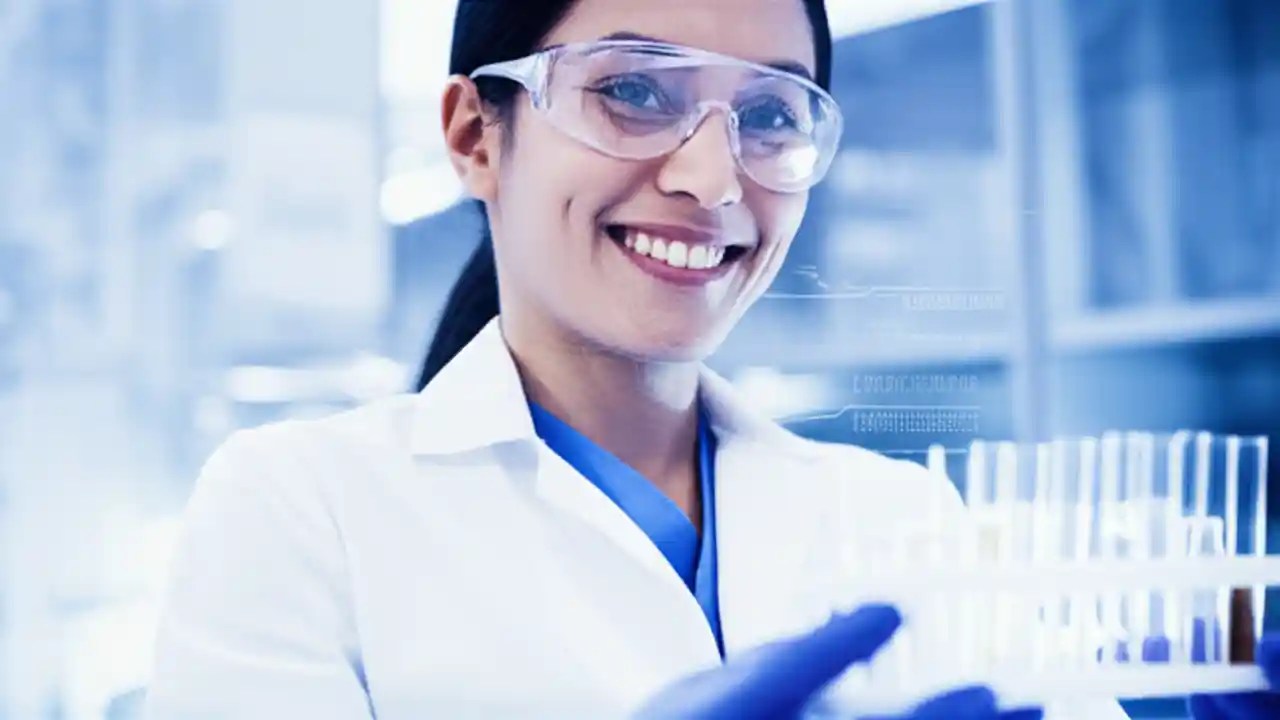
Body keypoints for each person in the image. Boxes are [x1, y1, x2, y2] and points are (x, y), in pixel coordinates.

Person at [146, 0, 1279, 718]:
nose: (710, 176)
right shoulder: (300, 506)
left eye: (771, 116)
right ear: (471, 135)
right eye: (632, 91)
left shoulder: (900, 518)